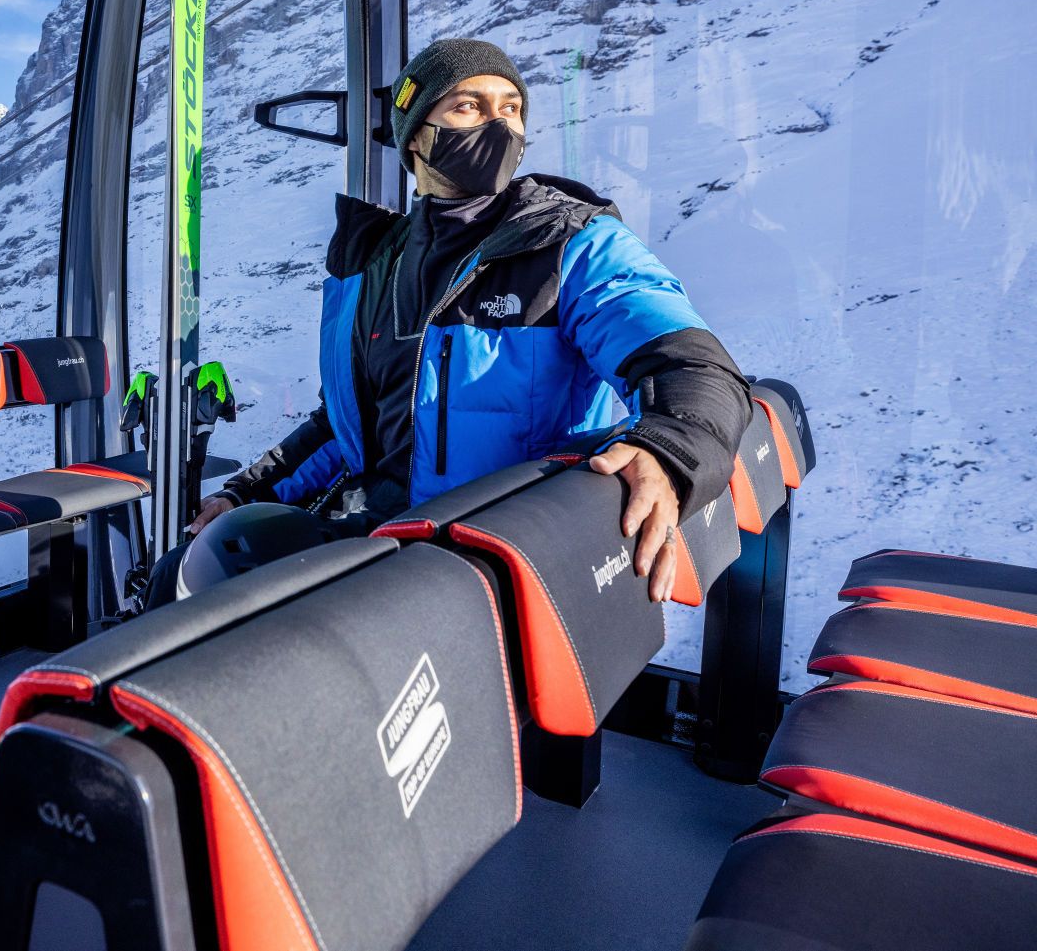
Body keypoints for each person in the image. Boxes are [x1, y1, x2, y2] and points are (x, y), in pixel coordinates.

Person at [159, 38, 750, 605]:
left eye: (512, 108)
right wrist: (245, 493)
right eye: (469, 105)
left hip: (486, 554)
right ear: (416, 135)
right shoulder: (372, 264)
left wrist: (670, 452)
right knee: (179, 577)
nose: (500, 125)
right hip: (383, 538)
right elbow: (348, 423)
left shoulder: (569, 245)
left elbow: (693, 367)